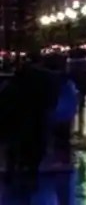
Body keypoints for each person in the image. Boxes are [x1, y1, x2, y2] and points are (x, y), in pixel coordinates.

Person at [1, 53, 55, 189]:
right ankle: (29, 178)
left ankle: (13, 176)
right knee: (32, 153)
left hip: (18, 122)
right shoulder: (44, 80)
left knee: (14, 150)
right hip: (35, 123)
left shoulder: (14, 84)